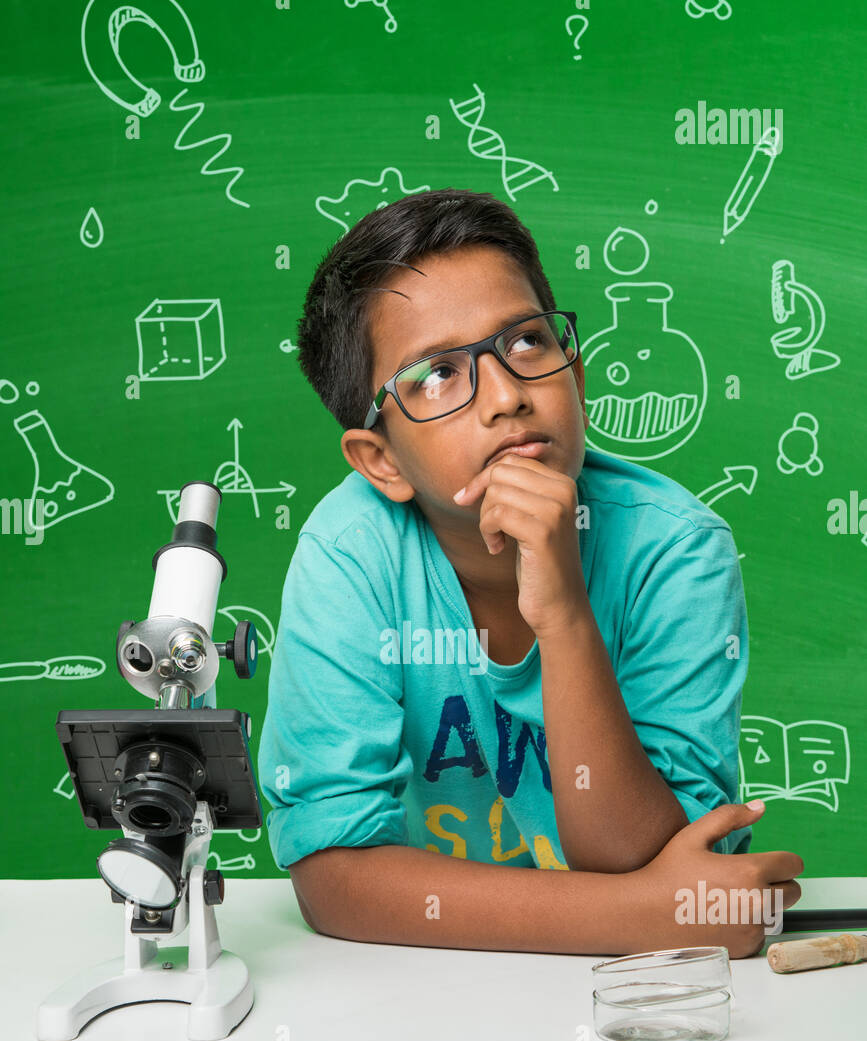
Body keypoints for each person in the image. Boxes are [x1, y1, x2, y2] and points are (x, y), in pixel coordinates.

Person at [257, 187, 802, 955]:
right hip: (420, 996)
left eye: (525, 343)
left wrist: (564, 615)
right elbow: (333, 875)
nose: (507, 396)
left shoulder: (675, 549)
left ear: (574, 378)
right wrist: (640, 915)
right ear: (380, 462)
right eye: (438, 375)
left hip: (641, 996)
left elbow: (641, 857)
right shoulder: (352, 555)